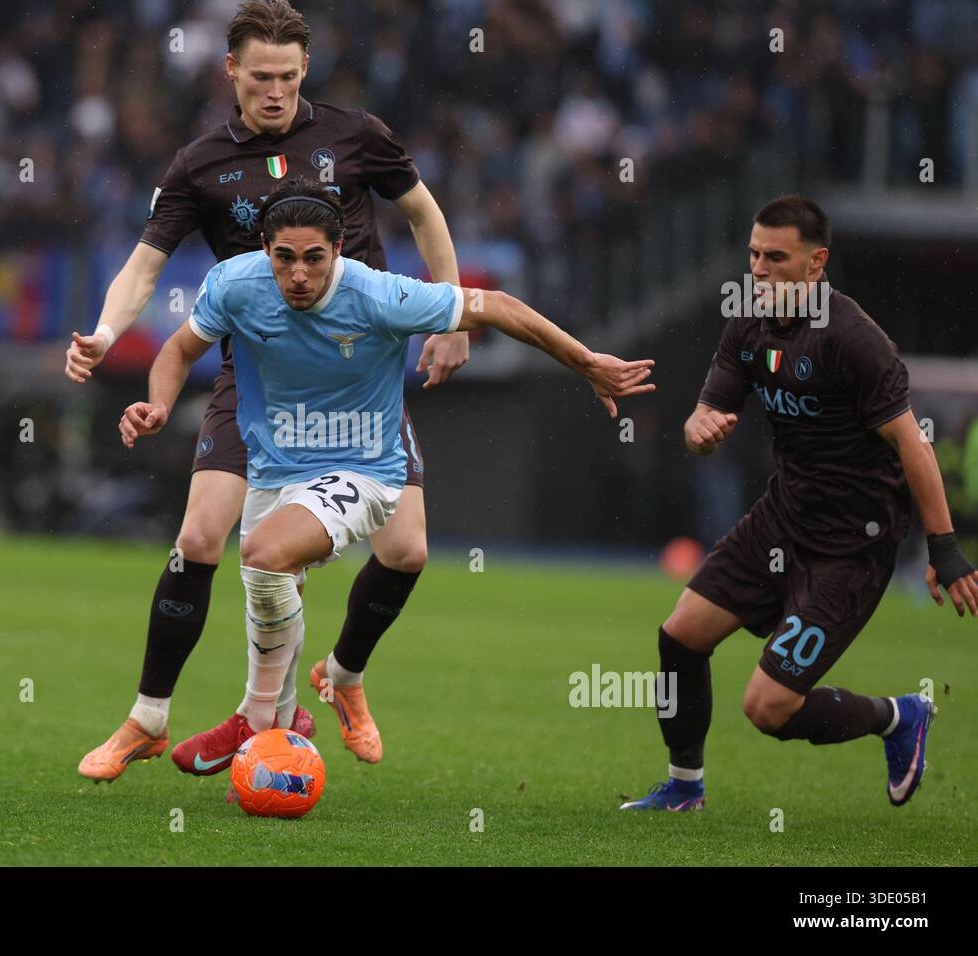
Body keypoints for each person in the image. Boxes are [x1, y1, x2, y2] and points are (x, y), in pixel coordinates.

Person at [119, 179, 656, 775]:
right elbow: (176, 350)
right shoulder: (234, 284)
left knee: (273, 555)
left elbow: (498, 306)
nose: (299, 274)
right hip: (275, 466)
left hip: (364, 470)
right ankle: (282, 732)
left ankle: (257, 715)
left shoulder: (379, 294)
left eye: (314, 259)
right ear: (263, 251)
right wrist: (159, 405)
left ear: (340, 250)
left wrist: (587, 363)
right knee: (272, 585)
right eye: (284, 258)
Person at [71, 0, 469, 780]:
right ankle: (149, 718)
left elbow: (422, 212)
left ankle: (342, 677)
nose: (276, 90)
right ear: (231, 72)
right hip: (255, 373)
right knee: (197, 539)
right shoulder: (198, 163)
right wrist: (108, 333)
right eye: (261, 76)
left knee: (409, 550)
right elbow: (147, 264)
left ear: (305, 72)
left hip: (357, 380)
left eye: (289, 76)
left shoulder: (357, 134)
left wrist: (451, 315)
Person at [622, 195, 978, 812]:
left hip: (852, 546)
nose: (759, 269)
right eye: (754, 254)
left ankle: (898, 716)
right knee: (680, 636)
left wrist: (945, 548)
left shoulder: (856, 340)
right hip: (780, 520)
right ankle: (684, 789)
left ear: (816, 265)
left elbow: (914, 445)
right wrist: (697, 429)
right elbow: (707, 413)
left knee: (767, 708)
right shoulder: (748, 321)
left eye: (776, 257)